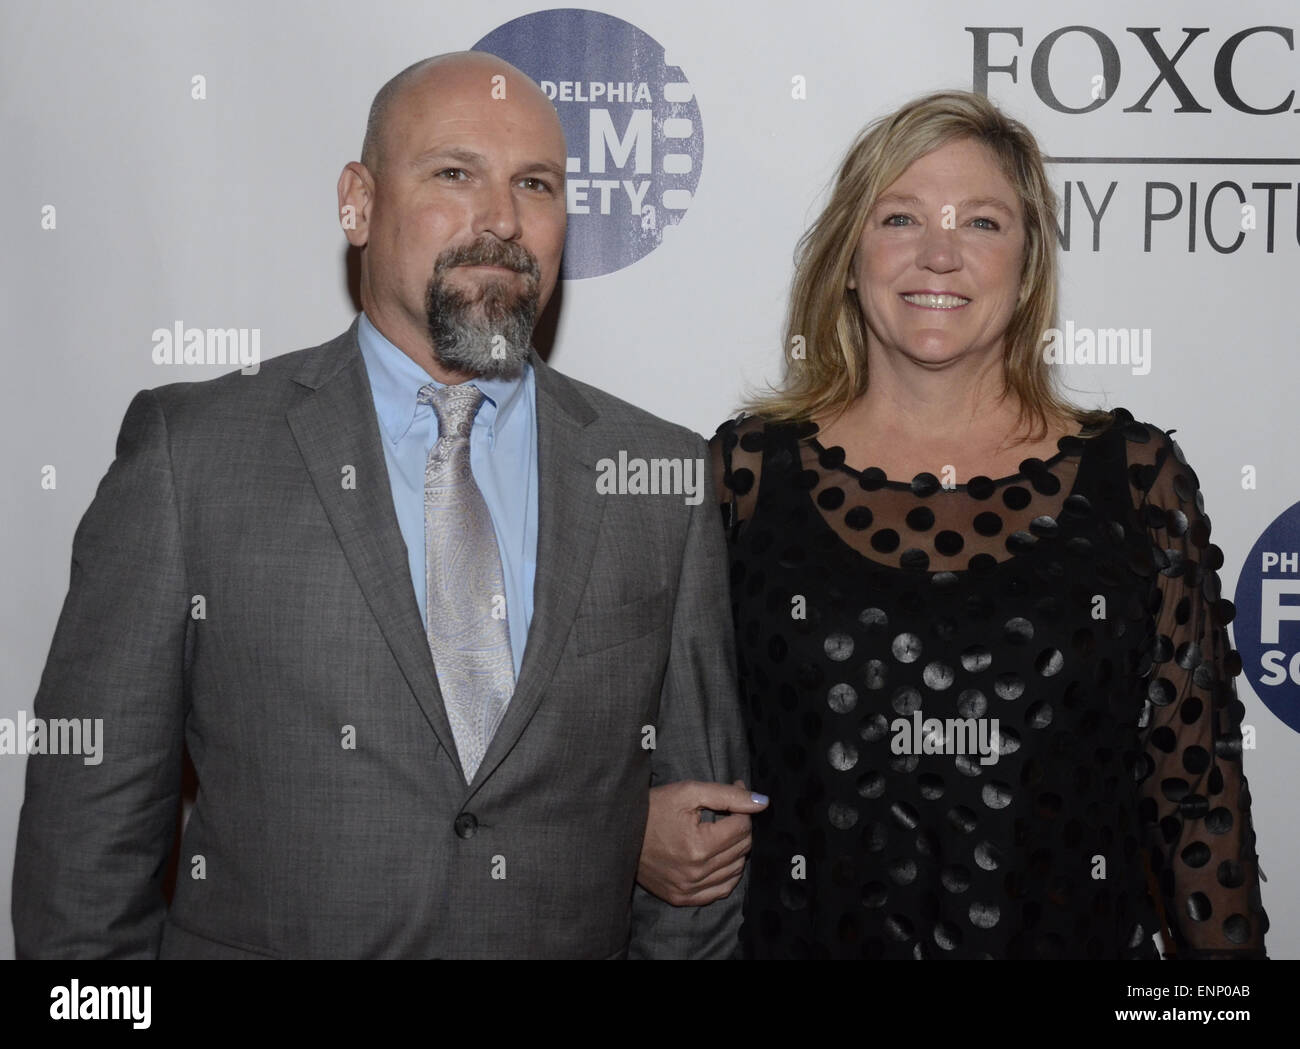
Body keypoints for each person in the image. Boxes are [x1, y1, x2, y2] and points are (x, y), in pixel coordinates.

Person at [11, 51, 761, 959]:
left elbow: (704, 850)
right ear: (358, 203)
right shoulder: (193, 454)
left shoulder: (660, 475)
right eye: (454, 173)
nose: (501, 219)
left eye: (536, 184)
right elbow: (83, 861)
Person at [646, 90, 1269, 959]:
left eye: (980, 222)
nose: (938, 254)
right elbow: (640, 728)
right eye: (900, 217)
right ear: (849, 256)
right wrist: (627, 823)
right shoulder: (742, 475)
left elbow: (1194, 802)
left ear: (1027, 267)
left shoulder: (1137, 479)